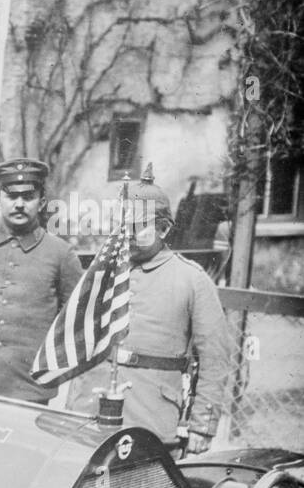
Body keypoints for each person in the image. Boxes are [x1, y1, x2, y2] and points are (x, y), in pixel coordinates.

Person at [66, 178, 233, 452]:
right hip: (88, 412)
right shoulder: (99, 273)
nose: (126, 234)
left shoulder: (191, 280)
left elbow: (215, 359)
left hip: (150, 418)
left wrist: (202, 426)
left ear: (164, 229)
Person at [0, 158, 83, 403]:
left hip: (29, 388)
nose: (19, 204)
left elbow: (75, 320)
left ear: (42, 202)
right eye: (11, 196)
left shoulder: (61, 254)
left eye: (28, 197)